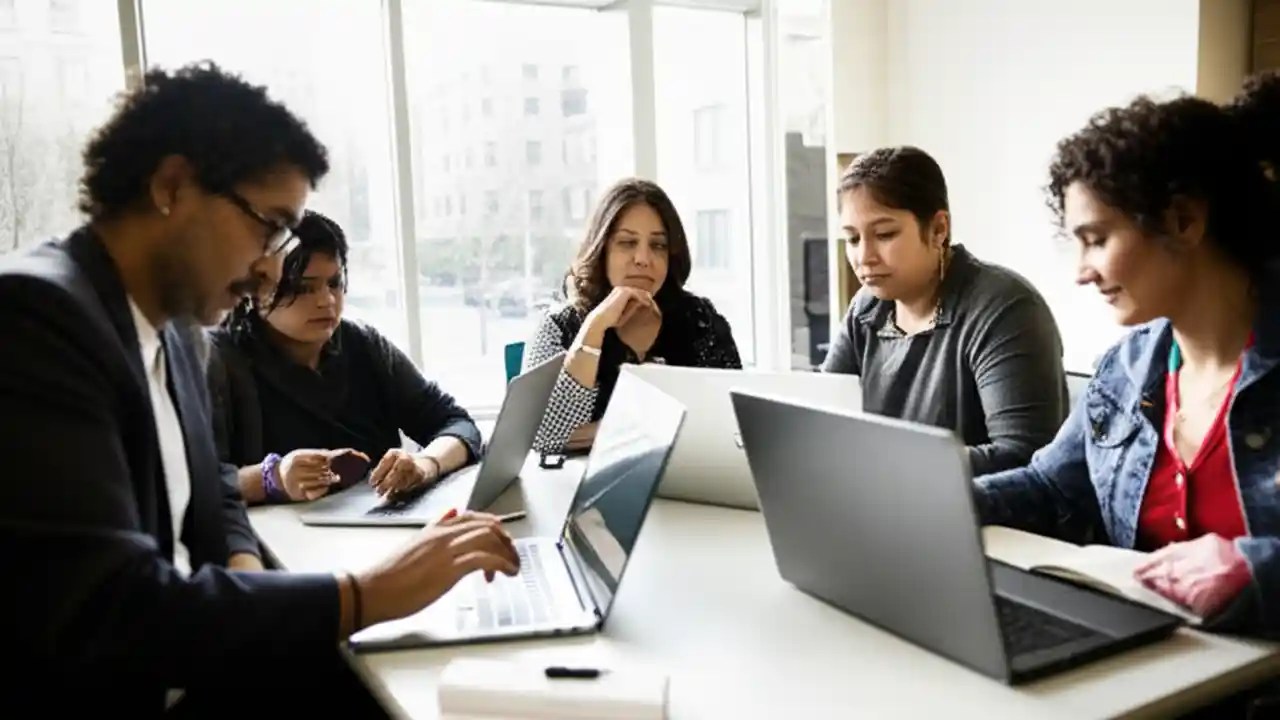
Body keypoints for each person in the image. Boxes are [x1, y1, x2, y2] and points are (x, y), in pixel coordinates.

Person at [0, 62, 518, 714]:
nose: (272, 264)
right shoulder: (36, 318)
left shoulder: (178, 332)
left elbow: (209, 485)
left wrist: (250, 585)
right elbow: (114, 608)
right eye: (269, 225)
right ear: (172, 186)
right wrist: (364, 592)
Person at [975, 75, 1280, 637]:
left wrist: (1258, 570)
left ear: (1184, 221)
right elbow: (1050, 490)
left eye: (1096, 238)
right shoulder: (1125, 371)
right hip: (1159, 678)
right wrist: (932, 503)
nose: (1081, 271)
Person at [822, 146, 1067, 475]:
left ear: (939, 229)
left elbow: (1025, 458)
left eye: (884, 234)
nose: (864, 257)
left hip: (986, 518)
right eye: (852, 239)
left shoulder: (1004, 308)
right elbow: (821, 424)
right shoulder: (866, 309)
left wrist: (883, 466)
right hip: (889, 509)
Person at [208, 210, 481, 503]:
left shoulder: (362, 344)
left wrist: (426, 464)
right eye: (303, 288)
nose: (326, 300)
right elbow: (195, 484)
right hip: (277, 541)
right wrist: (271, 477)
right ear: (255, 287)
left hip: (377, 527)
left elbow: (457, 424)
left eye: (334, 283)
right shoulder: (218, 361)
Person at [523, 178, 742, 453]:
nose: (643, 258)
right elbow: (546, 439)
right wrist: (595, 327)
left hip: (685, 485)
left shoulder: (700, 319)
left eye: (658, 245)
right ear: (602, 249)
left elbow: (733, 427)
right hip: (583, 489)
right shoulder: (560, 324)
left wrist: (602, 430)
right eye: (627, 243)